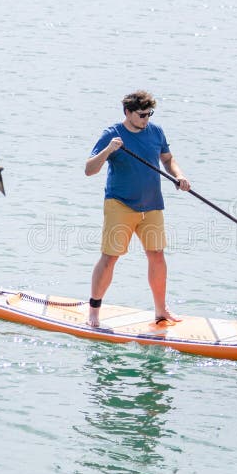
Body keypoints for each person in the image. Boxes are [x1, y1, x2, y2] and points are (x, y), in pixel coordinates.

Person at [84, 90, 191, 328]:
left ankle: (161, 311)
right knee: (110, 258)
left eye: (149, 114)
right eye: (142, 115)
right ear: (128, 112)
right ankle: (94, 312)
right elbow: (89, 169)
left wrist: (179, 176)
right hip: (120, 204)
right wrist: (108, 150)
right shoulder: (112, 134)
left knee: (157, 255)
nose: (146, 119)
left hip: (152, 205)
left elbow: (167, 159)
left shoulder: (156, 131)